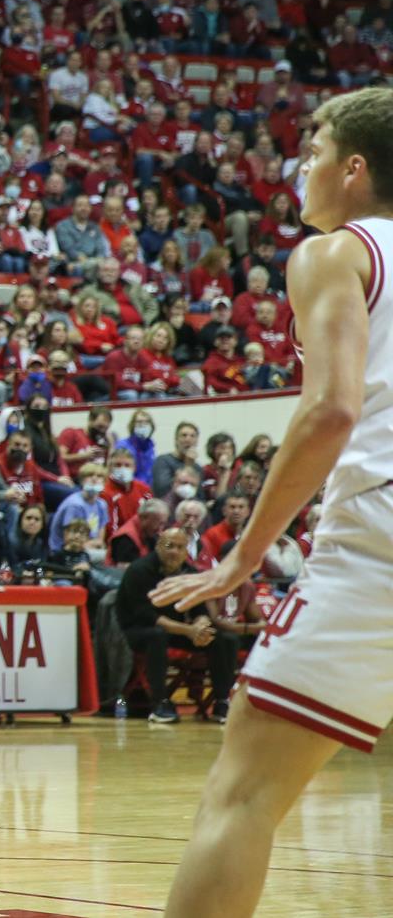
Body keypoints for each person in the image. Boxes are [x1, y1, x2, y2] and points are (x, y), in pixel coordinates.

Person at [152, 89, 393, 918]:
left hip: (379, 547)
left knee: (243, 792)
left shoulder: (337, 252)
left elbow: (331, 409)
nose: (300, 162)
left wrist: (244, 553)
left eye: (313, 145)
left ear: (354, 168)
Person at [118, 525, 239, 724]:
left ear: (186, 551)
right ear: (158, 546)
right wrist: (189, 630)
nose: (174, 551)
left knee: (225, 639)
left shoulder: (190, 573)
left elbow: (201, 610)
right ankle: (160, 702)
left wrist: (201, 627)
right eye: (169, 545)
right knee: (157, 635)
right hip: (136, 630)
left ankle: (221, 701)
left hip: (176, 629)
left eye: (180, 547)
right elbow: (148, 616)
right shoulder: (139, 570)